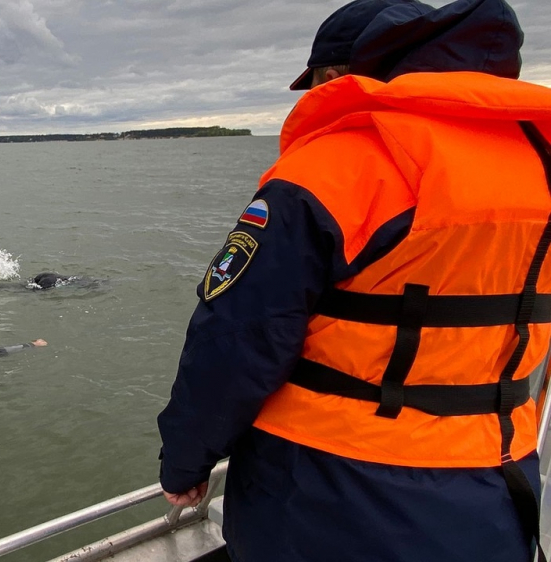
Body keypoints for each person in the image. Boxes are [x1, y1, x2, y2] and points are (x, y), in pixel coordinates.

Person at [156, 1, 551, 560]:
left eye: (314, 83)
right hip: (498, 487)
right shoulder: (541, 163)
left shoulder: (336, 167)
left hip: (330, 492)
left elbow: (237, 338)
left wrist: (185, 461)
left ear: (339, 77)